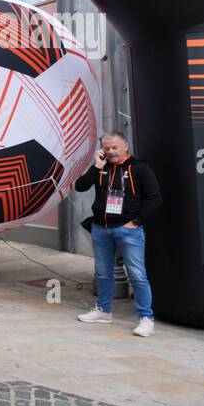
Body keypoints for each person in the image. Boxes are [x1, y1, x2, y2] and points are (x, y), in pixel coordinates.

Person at [75, 130, 162, 337]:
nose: (111, 152)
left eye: (115, 147)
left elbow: (154, 198)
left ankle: (146, 318)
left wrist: (136, 221)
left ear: (125, 147)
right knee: (103, 272)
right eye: (107, 148)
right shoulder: (101, 168)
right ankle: (104, 311)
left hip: (128, 229)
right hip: (100, 228)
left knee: (137, 274)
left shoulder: (139, 168)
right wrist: (96, 167)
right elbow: (80, 187)